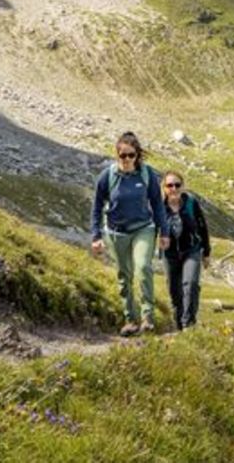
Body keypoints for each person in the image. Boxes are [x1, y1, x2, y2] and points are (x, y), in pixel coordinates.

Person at [89, 132, 169, 336]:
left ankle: (148, 317)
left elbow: (158, 205)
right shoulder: (107, 176)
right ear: (117, 155)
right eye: (122, 155)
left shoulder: (147, 174)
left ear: (137, 155)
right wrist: (96, 236)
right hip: (116, 233)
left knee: (143, 267)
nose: (126, 160)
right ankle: (130, 320)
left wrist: (164, 232)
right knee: (124, 276)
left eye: (131, 155)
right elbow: (97, 207)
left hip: (143, 228)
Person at [161, 171, 211, 331]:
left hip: (192, 250)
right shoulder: (159, 206)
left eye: (177, 185)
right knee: (174, 290)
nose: (174, 188)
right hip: (170, 254)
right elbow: (151, 228)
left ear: (183, 186)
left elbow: (203, 227)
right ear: (164, 188)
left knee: (191, 284)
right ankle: (178, 326)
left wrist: (206, 253)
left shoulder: (191, 203)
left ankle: (188, 323)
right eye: (170, 185)